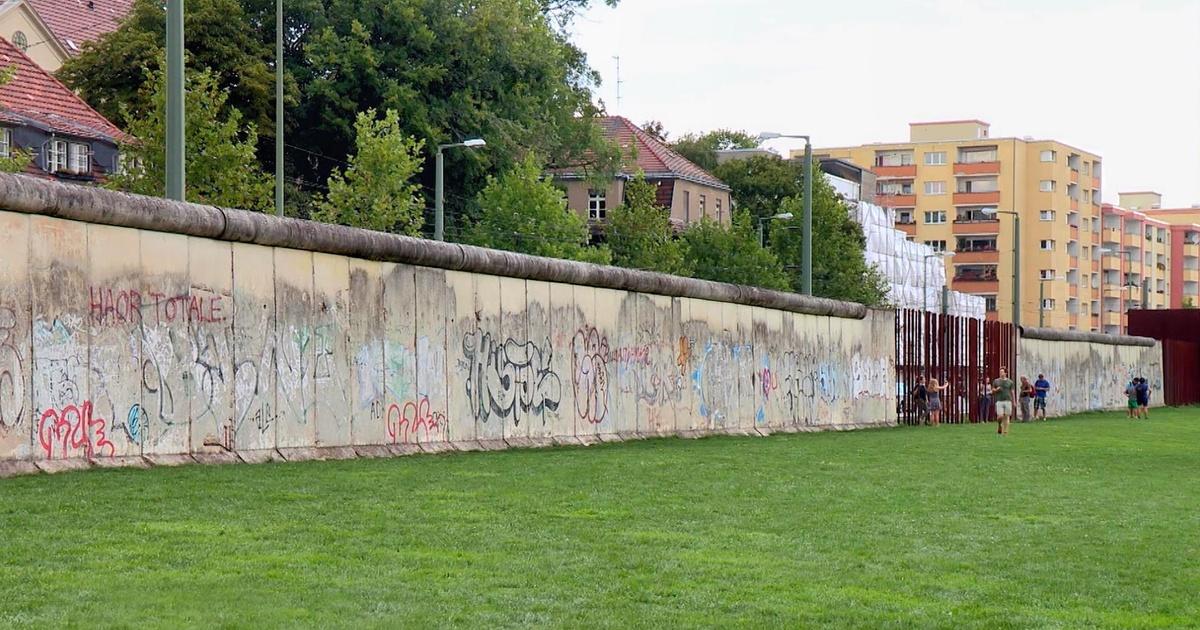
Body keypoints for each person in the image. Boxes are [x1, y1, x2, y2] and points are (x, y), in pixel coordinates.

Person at [992, 368, 1014, 436]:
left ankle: (1005, 431)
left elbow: (1012, 391)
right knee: (1000, 416)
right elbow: (992, 390)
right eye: (1000, 372)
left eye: (1002, 372)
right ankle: (999, 425)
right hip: (999, 400)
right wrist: (996, 390)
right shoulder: (996, 381)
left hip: (1008, 400)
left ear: (1005, 373)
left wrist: (1014, 401)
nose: (1001, 373)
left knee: (1007, 416)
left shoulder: (1010, 382)